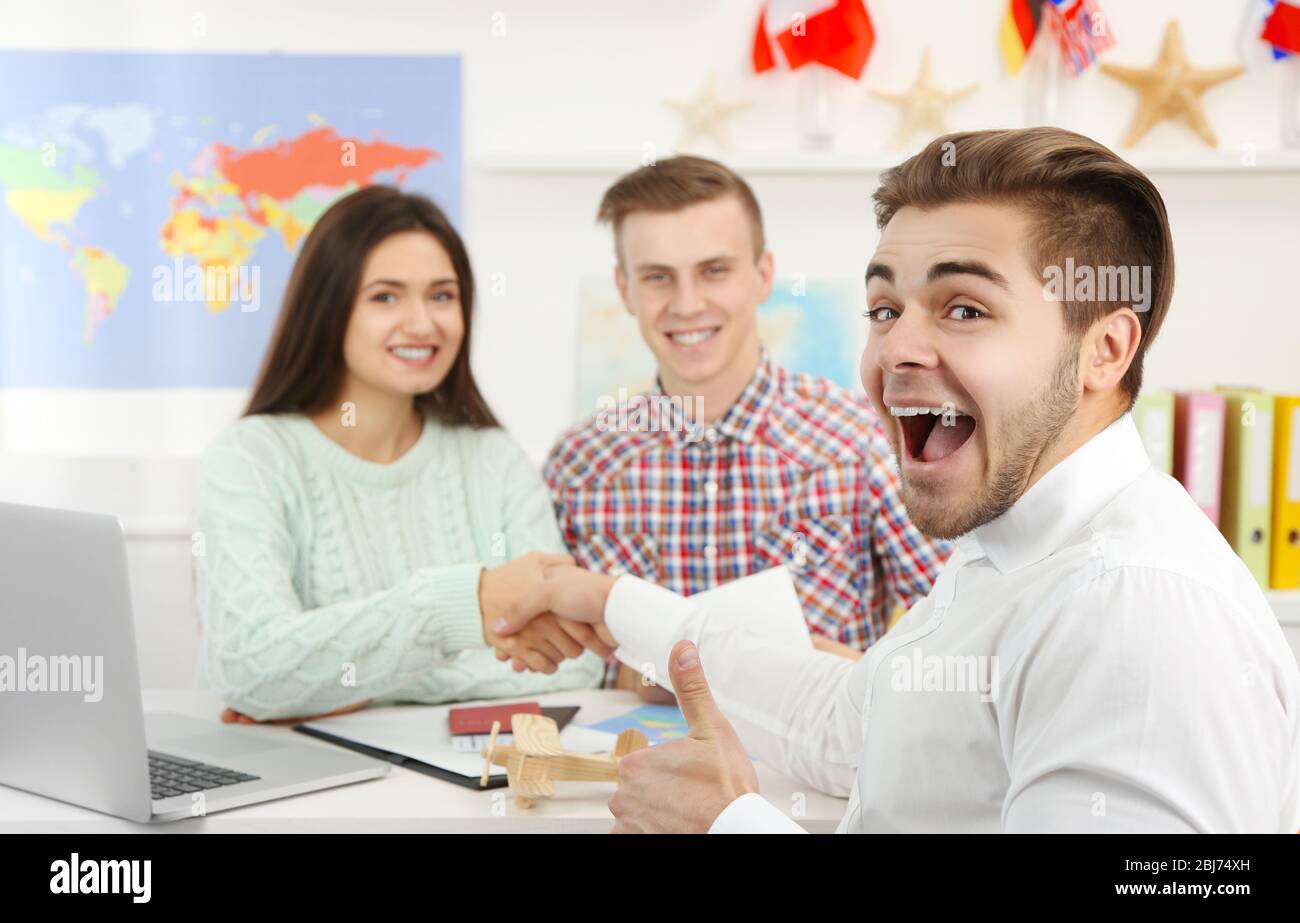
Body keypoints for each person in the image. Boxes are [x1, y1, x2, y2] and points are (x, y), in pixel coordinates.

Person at [499, 128, 1300, 833]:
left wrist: (729, 825)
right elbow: (843, 723)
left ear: (1104, 350)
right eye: (886, 310)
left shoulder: (1136, 613)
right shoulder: (1004, 546)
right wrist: (609, 602)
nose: (895, 354)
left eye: (964, 309)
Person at [194, 185, 608, 723]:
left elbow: (573, 662)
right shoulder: (251, 458)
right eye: (386, 297)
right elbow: (251, 666)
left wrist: (344, 684)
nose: (422, 323)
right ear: (328, 308)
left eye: (441, 295)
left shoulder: (492, 459)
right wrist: (466, 609)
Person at [543, 155, 951, 697]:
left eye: (714, 271)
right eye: (658, 278)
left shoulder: (863, 441)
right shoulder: (579, 465)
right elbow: (563, 659)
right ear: (624, 290)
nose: (687, 305)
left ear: (762, 275)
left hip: (820, 771)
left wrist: (837, 675)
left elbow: (954, 640)